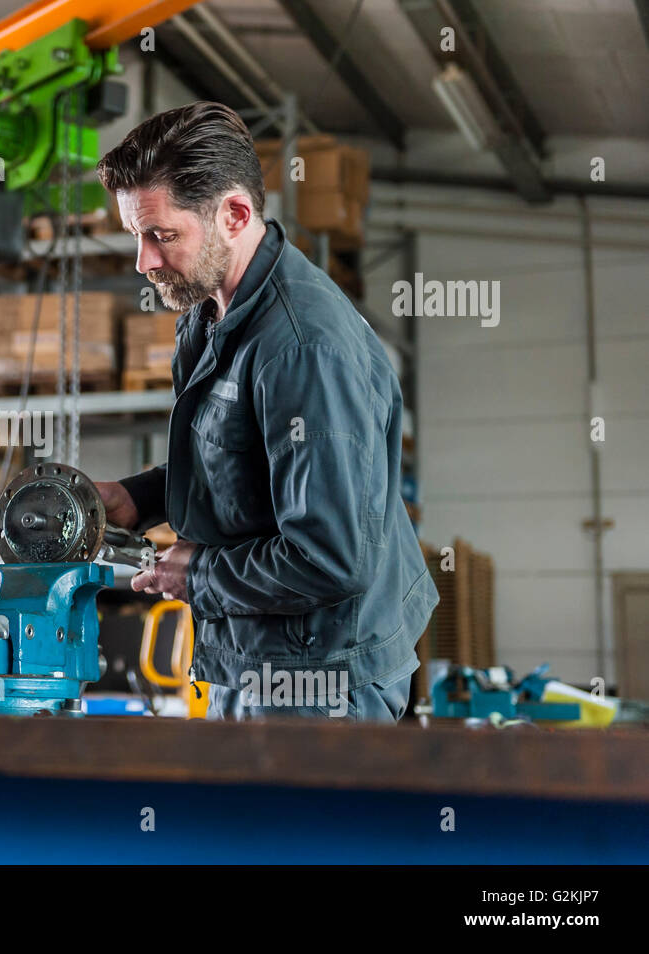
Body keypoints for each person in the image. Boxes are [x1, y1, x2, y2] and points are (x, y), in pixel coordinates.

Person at [92, 102, 438, 722]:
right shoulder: (210, 312)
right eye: (135, 236)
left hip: (318, 682)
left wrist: (196, 574)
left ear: (235, 214)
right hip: (254, 657)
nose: (143, 261)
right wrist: (136, 499)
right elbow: (247, 467)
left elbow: (330, 556)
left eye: (160, 234)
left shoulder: (303, 349)